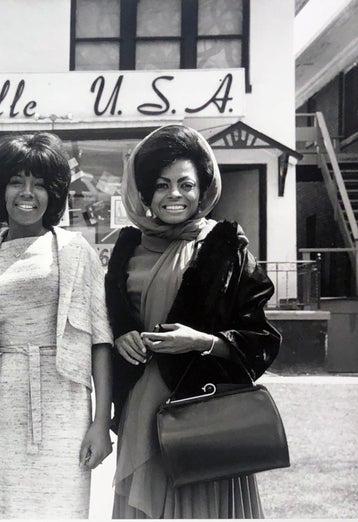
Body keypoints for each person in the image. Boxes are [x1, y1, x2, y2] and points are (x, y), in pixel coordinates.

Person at [106, 124, 281, 519]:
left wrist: (202, 341)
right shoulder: (127, 247)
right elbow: (109, 318)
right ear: (146, 192)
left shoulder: (225, 246)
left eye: (186, 184)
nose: (174, 195)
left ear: (203, 190)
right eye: (162, 184)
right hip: (141, 410)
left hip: (205, 416)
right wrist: (121, 336)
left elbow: (261, 338)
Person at [0, 132, 113, 519]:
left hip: (66, 408)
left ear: (54, 194)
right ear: (0, 190)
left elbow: (100, 341)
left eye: (40, 184)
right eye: (16, 181)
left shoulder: (77, 251)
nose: (28, 193)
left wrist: (100, 422)